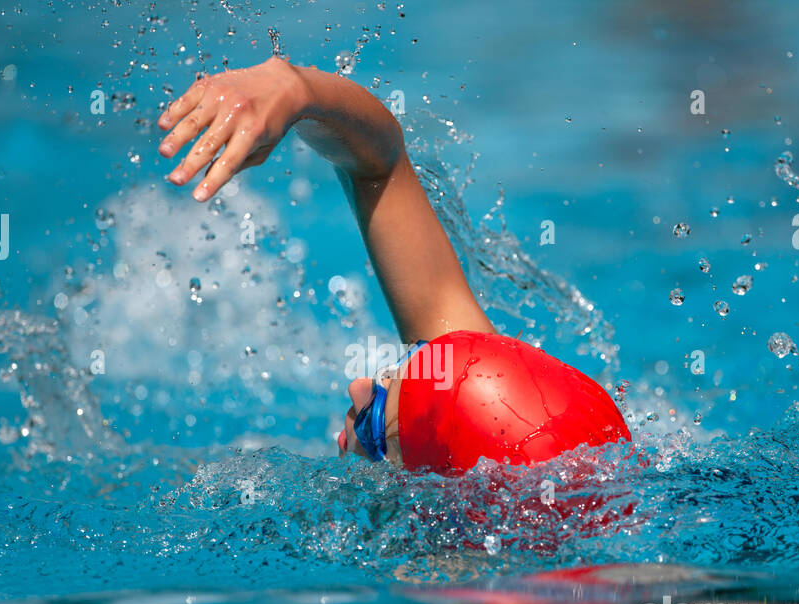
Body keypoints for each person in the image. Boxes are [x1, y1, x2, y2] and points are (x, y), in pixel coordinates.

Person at [158, 57, 629, 475]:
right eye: (389, 379)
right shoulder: (470, 388)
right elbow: (377, 165)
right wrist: (295, 88)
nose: (357, 386)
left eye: (375, 411)